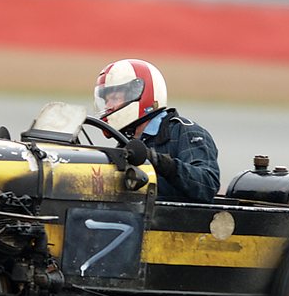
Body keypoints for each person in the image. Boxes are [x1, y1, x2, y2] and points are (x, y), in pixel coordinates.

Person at [94, 59, 220, 203]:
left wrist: (162, 163)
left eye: (115, 98)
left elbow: (207, 185)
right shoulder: (128, 142)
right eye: (106, 101)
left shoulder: (185, 132)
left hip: (176, 222)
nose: (109, 106)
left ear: (140, 95)